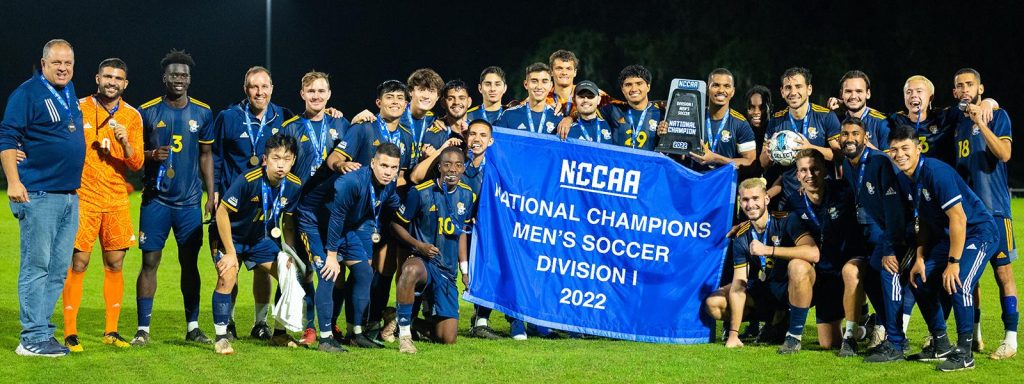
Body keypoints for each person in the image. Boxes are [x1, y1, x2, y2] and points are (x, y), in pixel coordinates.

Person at [888, 124, 997, 371]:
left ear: (918, 149)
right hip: (949, 236)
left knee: (960, 284)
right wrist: (919, 257)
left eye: (905, 148)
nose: (899, 154)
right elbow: (923, 220)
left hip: (978, 232)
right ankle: (941, 344)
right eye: (894, 149)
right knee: (918, 279)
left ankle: (965, 353)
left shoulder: (936, 172)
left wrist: (953, 263)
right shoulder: (905, 178)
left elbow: (959, 218)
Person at [1, 39, 84, 357]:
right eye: (57, 63)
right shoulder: (27, 93)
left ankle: (43, 333)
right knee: (37, 266)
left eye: (69, 63)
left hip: (67, 196)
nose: (64, 68)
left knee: (59, 268)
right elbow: (8, 135)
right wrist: (13, 181)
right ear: (44, 63)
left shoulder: (69, 90)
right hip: (38, 193)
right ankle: (31, 338)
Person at [132, 50, 216, 347]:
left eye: (184, 75)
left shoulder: (203, 112)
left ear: (189, 79)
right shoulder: (146, 111)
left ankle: (192, 326)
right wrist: (150, 155)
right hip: (156, 200)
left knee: (189, 263)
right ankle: (143, 328)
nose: (179, 79)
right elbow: (132, 156)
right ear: (164, 78)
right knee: (150, 262)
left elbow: (206, 156)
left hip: (189, 202)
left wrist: (211, 193)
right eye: (174, 75)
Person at [62, 58, 145, 352]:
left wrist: (125, 143)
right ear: (97, 78)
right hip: (83, 196)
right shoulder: (77, 105)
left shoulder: (133, 117)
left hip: (116, 199)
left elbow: (137, 163)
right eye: (107, 76)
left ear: (125, 84)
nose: (112, 81)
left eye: (118, 78)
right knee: (78, 262)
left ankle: (111, 330)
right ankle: (70, 332)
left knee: (115, 263)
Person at [211, 66, 295, 340]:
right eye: (254, 87)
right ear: (246, 90)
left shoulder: (282, 116)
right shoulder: (228, 117)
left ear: (272, 88)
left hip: (264, 210)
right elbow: (216, 155)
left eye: (264, 86)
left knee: (267, 269)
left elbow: (301, 134)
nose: (260, 92)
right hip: (233, 205)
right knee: (229, 271)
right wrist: (213, 192)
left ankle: (262, 323)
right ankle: (228, 324)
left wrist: (331, 113)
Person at [210, 134, 303, 354]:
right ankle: (221, 337)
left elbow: (288, 223)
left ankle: (279, 334)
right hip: (230, 237)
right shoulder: (248, 180)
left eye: (286, 159)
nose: (281, 164)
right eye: (275, 158)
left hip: (260, 239)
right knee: (228, 274)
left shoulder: (293, 185)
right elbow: (222, 212)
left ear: (293, 160)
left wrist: (289, 253)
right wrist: (231, 253)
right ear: (265, 159)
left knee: (288, 273)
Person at [704, 177, 819, 354]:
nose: (751, 205)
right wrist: (734, 335)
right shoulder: (741, 236)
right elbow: (738, 285)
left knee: (799, 266)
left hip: (790, 290)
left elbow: (813, 253)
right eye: (745, 200)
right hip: (764, 291)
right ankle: (774, 322)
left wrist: (768, 250)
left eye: (755, 198)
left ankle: (793, 335)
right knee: (714, 303)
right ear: (740, 203)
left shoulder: (787, 220)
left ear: (766, 199)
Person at [951, 68, 1017, 360]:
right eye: (959, 86)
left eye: (970, 85)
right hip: (969, 216)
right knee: (971, 277)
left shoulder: (996, 116)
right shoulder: (956, 125)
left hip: (997, 211)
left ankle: (1010, 340)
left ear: (980, 88)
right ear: (954, 93)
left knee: (1004, 274)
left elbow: (1004, 154)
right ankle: (975, 334)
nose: (965, 90)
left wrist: (983, 116)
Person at [836, 117, 909, 359]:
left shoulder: (879, 162)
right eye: (845, 134)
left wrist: (890, 244)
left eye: (855, 133)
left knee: (884, 275)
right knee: (869, 279)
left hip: (885, 232)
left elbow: (894, 207)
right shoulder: (846, 165)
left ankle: (897, 339)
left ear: (865, 137)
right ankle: (894, 334)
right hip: (864, 233)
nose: (849, 138)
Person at [391, 147, 476, 353]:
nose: (452, 170)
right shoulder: (419, 192)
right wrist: (418, 245)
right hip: (423, 260)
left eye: (457, 165)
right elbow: (396, 224)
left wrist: (464, 271)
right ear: (439, 167)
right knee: (409, 271)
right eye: (446, 165)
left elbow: (462, 233)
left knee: (447, 338)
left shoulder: (468, 195)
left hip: (447, 270)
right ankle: (404, 336)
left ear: (463, 169)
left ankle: (401, 319)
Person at [324, 143, 403, 348]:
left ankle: (355, 332)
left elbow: (393, 202)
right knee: (331, 274)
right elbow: (336, 217)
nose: (388, 172)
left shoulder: (389, 183)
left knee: (364, 273)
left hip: (354, 227)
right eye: (384, 165)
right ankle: (326, 330)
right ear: (372, 163)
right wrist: (332, 255)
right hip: (323, 225)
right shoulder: (352, 182)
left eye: (393, 168)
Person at [785, 149, 857, 350]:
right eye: (804, 171)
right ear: (797, 175)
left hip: (842, 270)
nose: (810, 175)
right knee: (797, 266)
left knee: (830, 343)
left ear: (824, 169)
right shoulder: (794, 201)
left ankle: (860, 320)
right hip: (818, 273)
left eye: (815, 169)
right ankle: (793, 337)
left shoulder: (844, 190)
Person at [760, 67, 840, 212]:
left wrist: (811, 148)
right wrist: (769, 154)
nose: (793, 92)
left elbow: (839, 155)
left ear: (809, 89)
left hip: (822, 196)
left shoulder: (826, 116)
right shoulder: (775, 121)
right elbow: (763, 163)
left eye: (798, 86)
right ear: (782, 92)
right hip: (790, 199)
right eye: (788, 87)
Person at [684, 68, 756, 173]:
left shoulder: (741, 123)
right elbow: (678, 153)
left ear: (733, 91)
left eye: (727, 86)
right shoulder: (692, 117)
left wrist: (715, 158)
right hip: (695, 184)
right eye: (716, 85)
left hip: (724, 186)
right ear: (707, 90)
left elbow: (750, 162)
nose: (721, 90)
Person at [827, 70, 891, 149]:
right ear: (841, 94)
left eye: (859, 91)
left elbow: (888, 160)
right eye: (848, 91)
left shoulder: (882, 123)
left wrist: (861, 141)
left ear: (868, 94)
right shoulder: (835, 120)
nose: (853, 96)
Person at [495, 63, 557, 135]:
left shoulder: (559, 119)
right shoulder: (509, 115)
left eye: (544, 81)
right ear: (526, 84)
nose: (539, 86)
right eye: (534, 81)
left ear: (550, 85)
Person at [547, 49, 578, 116]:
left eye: (568, 69)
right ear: (551, 72)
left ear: (575, 72)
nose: (564, 73)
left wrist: (571, 118)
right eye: (559, 68)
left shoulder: (590, 95)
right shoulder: (543, 98)